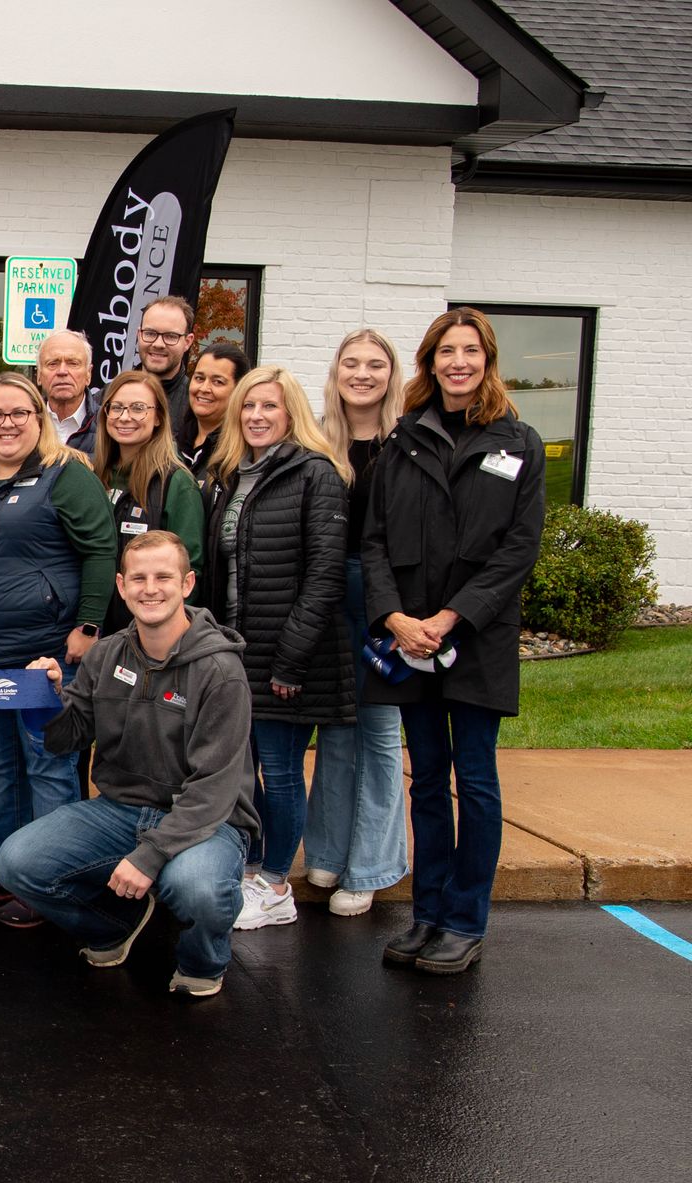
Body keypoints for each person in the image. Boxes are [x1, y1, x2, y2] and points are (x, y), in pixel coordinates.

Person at [0, 531, 257, 998]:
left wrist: (149, 856)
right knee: (16, 863)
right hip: (120, 809)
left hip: (207, 819)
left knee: (195, 887)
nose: (150, 588)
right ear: (120, 586)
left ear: (188, 583)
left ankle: (202, 961)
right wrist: (44, 698)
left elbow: (213, 788)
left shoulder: (220, 671)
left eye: (163, 577)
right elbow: (64, 739)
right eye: (138, 578)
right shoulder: (106, 654)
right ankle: (113, 928)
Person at [363, 307, 544, 975]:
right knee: (427, 783)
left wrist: (453, 615)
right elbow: (375, 541)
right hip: (411, 641)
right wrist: (393, 617)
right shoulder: (403, 440)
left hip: (475, 639)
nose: (458, 362)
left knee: (475, 778)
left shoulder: (517, 442)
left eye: (470, 350)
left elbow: (519, 550)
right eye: (447, 351)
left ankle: (465, 919)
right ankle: (428, 912)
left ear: (487, 360)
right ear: (430, 361)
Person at [0, 373, 116, 915]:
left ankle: (52, 880)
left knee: (49, 767)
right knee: (2, 767)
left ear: (39, 419)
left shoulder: (64, 473)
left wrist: (87, 626)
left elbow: (102, 550)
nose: (6, 424)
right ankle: (5, 873)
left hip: (46, 655)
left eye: (20, 413)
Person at [201, 365, 354, 932]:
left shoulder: (316, 474)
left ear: (292, 414)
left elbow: (324, 576)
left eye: (270, 407)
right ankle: (253, 871)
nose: (257, 416)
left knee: (283, 771)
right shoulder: (231, 475)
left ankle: (275, 883)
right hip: (238, 650)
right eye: (248, 407)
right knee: (247, 771)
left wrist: (291, 657)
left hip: (291, 655)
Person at [305, 329, 410, 917]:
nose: (362, 374)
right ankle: (327, 848)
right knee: (336, 724)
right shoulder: (317, 439)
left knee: (377, 731)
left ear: (390, 374)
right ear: (337, 371)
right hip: (325, 594)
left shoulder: (410, 441)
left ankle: (370, 864)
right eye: (352, 363)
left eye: (375, 365)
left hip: (385, 596)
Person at [89, 370, 205, 634]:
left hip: (148, 637)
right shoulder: (93, 476)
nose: (125, 417)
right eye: (116, 407)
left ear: (158, 418)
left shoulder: (176, 484)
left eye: (138, 408)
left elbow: (191, 571)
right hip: (93, 635)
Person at [178, 341, 250, 476]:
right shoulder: (174, 445)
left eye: (218, 382)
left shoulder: (244, 456)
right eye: (199, 378)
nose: (204, 388)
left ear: (239, 390)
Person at [136, 296, 198, 426]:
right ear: (139, 335)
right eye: (150, 333)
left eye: (170, 336)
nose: (158, 344)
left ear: (188, 342)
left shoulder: (196, 407)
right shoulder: (108, 396)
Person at [36, 330, 100, 452]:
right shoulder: (23, 425)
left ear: (88, 374)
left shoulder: (108, 425)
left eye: (73, 363)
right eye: (53, 363)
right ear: (39, 375)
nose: (62, 371)